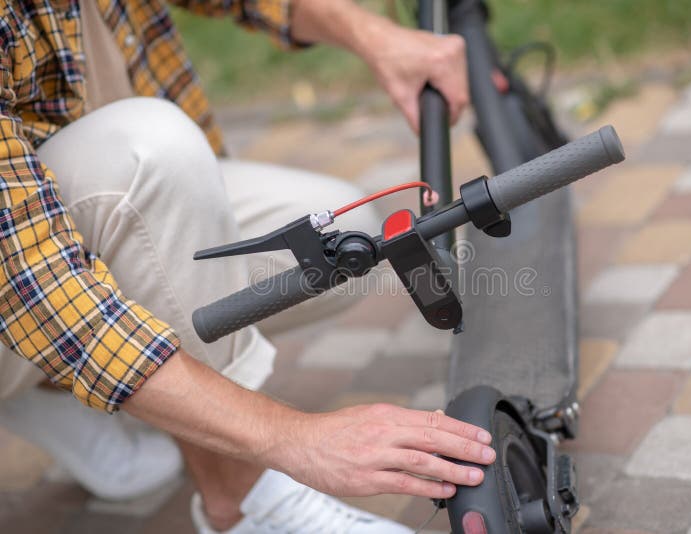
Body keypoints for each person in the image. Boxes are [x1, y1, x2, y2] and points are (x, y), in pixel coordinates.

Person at [0, 0, 497, 532]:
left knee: (337, 242)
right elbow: (35, 285)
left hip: (57, 215)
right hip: (22, 273)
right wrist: (298, 439)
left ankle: (58, 388)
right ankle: (243, 503)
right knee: (151, 154)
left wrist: (374, 36)